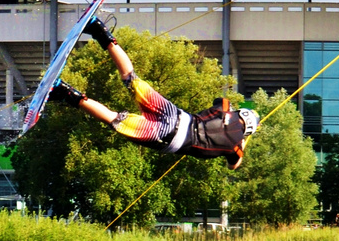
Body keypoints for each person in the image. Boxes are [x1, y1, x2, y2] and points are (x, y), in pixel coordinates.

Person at [51, 17, 258, 168]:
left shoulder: (225, 110)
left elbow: (222, 100)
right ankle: (65, 92)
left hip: (174, 114)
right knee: (115, 120)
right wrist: (241, 143)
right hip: (166, 137)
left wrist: (232, 115)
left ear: (241, 114)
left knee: (131, 79)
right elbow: (234, 166)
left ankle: (100, 31)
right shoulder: (235, 147)